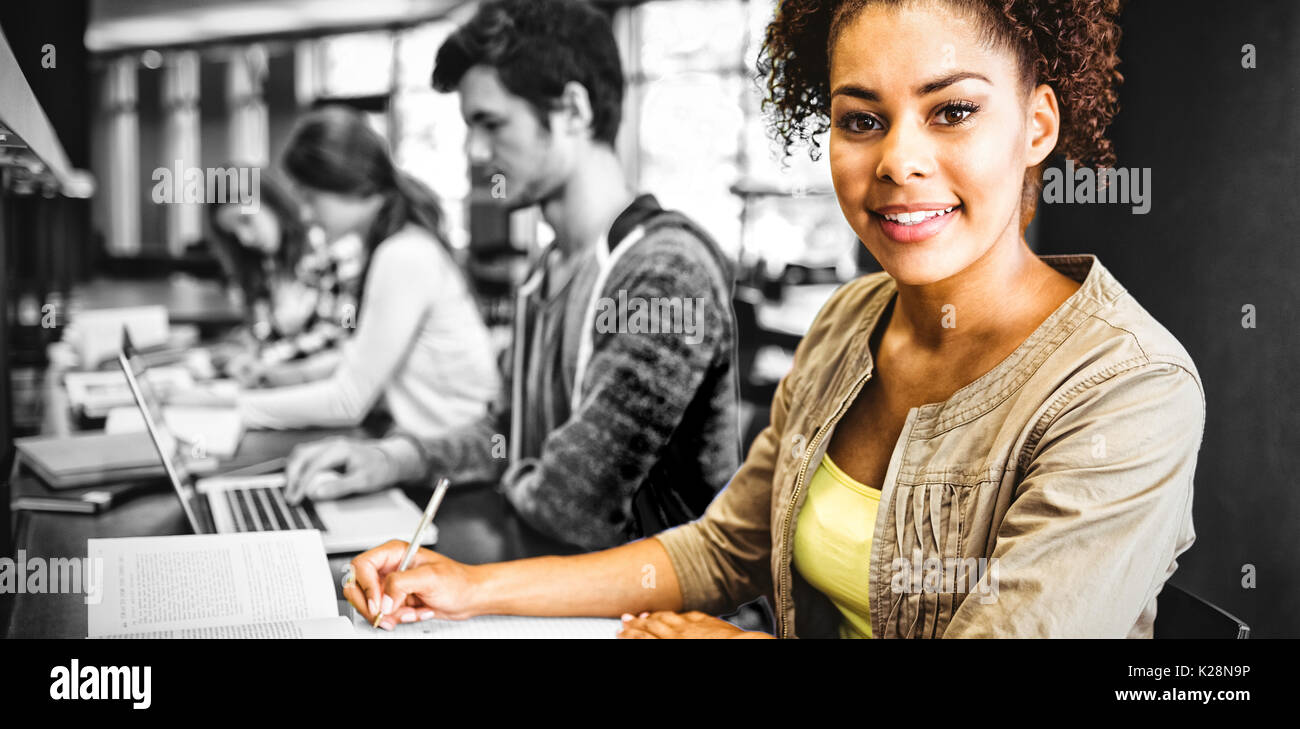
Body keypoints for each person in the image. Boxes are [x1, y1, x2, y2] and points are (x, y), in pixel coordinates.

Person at [341, 0, 1206, 639]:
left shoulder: (1126, 388)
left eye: (953, 111)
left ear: (1038, 125)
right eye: (862, 119)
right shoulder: (847, 323)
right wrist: (473, 587)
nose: (899, 160)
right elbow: (720, 552)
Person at [285, 0, 741, 551]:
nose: (476, 152)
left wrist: (523, 469)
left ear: (573, 109)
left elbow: (575, 506)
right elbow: (507, 437)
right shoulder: (547, 271)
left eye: (491, 123)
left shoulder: (665, 274)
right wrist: (393, 459)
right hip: (559, 586)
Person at [173, 106, 500, 444]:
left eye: (311, 198)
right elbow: (359, 356)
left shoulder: (403, 254)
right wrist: (282, 377)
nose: (304, 213)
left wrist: (231, 407)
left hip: (450, 455)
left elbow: (348, 401)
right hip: (421, 444)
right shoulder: (395, 245)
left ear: (349, 183)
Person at [204, 170, 364, 387]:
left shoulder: (336, 253)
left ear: (273, 204)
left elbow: (342, 333)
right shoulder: (264, 270)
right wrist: (245, 352)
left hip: (328, 391)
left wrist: (266, 360)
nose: (245, 238)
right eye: (233, 233)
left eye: (246, 220)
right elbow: (266, 334)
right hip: (279, 390)